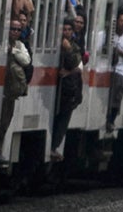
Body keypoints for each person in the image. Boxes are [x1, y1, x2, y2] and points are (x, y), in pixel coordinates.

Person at [50, 18, 83, 162]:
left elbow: (76, 64)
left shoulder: (74, 47)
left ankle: (54, 146)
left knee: (63, 121)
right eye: (64, 29)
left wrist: (68, 49)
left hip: (68, 90)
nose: (67, 32)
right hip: (55, 88)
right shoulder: (53, 44)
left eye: (69, 30)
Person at [0, 19, 30, 163]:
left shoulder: (20, 45)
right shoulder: (1, 42)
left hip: (11, 92)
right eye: (13, 29)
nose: (16, 32)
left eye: (18, 30)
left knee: (5, 123)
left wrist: (13, 52)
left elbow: (26, 60)